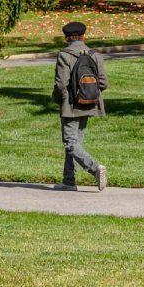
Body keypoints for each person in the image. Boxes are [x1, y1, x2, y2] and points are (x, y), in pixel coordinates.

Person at [53, 20, 108, 190]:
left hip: (70, 106)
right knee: (76, 143)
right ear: (84, 36)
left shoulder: (65, 55)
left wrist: (58, 99)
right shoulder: (95, 55)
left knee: (70, 143)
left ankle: (95, 169)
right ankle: (69, 181)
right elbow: (103, 83)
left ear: (67, 38)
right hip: (90, 104)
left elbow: (61, 84)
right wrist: (89, 95)